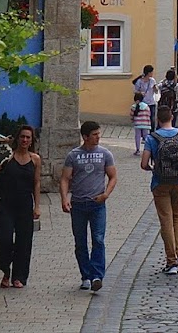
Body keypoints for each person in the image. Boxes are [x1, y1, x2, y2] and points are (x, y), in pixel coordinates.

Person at [59, 120, 117, 292]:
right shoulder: (73, 155)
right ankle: (85, 275)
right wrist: (64, 198)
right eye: (94, 135)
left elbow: (113, 176)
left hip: (97, 203)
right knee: (80, 242)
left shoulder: (105, 154)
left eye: (99, 134)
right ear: (85, 137)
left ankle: (97, 276)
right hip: (78, 204)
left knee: (98, 239)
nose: (98, 137)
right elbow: (65, 178)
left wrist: (106, 194)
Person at [142, 103, 178, 275]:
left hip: (160, 183)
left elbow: (143, 164)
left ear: (158, 120)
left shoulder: (152, 138)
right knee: (177, 216)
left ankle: (171, 261)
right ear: (172, 118)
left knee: (165, 220)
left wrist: (154, 169)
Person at [0, 124, 41, 288]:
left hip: (25, 204)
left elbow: (37, 183)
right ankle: (5, 270)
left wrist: (37, 206)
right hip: (7, 204)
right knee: (4, 239)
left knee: (24, 241)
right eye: (22, 136)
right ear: (17, 138)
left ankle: (19, 277)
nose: (25, 140)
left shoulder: (35, 159)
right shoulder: (7, 156)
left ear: (31, 141)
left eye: (28, 137)